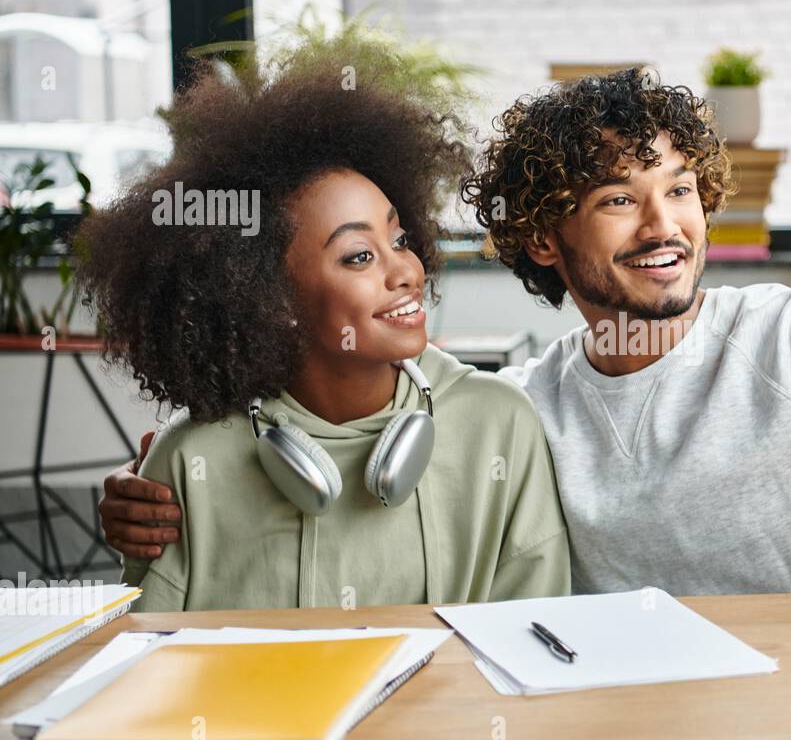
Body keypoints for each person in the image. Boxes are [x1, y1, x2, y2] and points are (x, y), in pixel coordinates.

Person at [103, 67, 791, 596]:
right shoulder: (518, 413)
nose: (666, 224)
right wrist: (170, 480)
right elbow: (329, 367)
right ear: (540, 239)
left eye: (679, 189)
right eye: (619, 198)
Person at [77, 40, 569, 612]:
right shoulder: (192, 459)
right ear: (271, 297)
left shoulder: (499, 426)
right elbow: (150, 661)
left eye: (400, 239)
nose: (406, 272)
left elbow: (536, 634)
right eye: (359, 256)